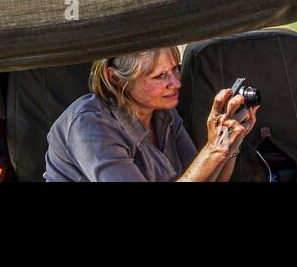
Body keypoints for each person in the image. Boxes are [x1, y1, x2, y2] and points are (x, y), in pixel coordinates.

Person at [44, 45, 257, 181]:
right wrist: (212, 150)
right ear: (115, 79)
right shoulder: (89, 127)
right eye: (160, 76)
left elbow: (205, 178)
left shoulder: (164, 115)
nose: (176, 83)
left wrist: (231, 141)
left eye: (175, 69)